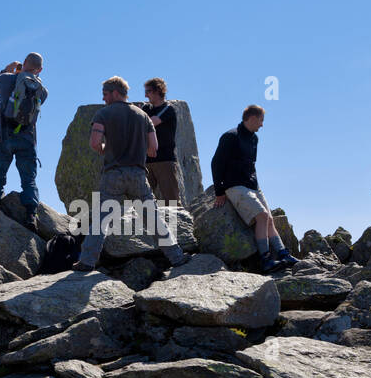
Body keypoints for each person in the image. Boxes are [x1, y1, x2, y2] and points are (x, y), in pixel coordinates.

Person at [72, 76, 191, 272]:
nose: (104, 99)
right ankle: (176, 257)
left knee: (101, 219)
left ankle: (87, 261)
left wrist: (104, 147)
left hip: (113, 174)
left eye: (105, 94)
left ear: (115, 92)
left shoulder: (103, 114)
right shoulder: (142, 116)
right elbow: (154, 147)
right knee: (153, 219)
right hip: (138, 174)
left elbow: (95, 143)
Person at [210, 105, 300, 273]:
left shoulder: (254, 139)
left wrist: (256, 186)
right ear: (252, 118)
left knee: (269, 219)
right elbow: (216, 163)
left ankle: (282, 253)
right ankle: (265, 260)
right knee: (262, 215)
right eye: (261, 120)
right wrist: (219, 192)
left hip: (253, 185)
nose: (262, 125)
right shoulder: (230, 136)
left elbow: (251, 164)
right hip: (234, 185)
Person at [0, 53, 47, 226]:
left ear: (24, 62)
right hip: (27, 139)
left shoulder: (6, 79)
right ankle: (31, 215)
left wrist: (5, 70)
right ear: (40, 70)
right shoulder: (43, 90)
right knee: (29, 179)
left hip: (4, 137)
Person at [141, 78, 181, 204]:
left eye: (148, 91)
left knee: (172, 200)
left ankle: (176, 223)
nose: (146, 95)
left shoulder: (167, 109)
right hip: (146, 160)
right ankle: (143, 223)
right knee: (141, 200)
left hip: (164, 159)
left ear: (158, 91)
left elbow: (150, 123)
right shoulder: (146, 108)